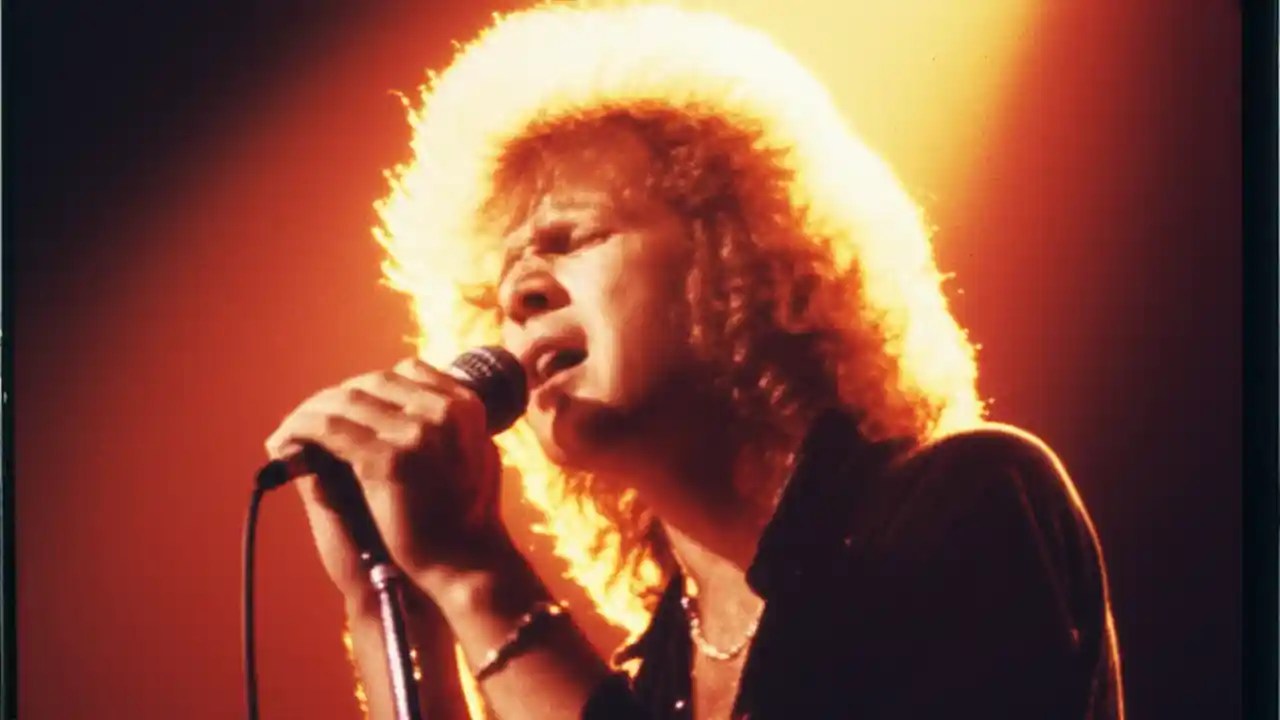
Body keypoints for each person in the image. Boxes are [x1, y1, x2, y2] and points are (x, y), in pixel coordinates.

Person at [264, 4, 1124, 719]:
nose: (519, 292)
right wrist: (393, 597)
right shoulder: (659, 675)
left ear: (742, 254)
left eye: (569, 239)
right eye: (498, 288)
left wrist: (476, 576)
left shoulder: (969, 499)